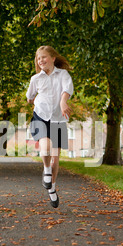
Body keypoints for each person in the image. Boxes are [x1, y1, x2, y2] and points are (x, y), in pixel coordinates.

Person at [26, 46, 74, 208]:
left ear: (53, 59)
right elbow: (30, 96)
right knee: (45, 146)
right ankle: (46, 169)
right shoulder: (35, 79)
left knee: (55, 157)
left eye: (44, 57)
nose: (41, 61)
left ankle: (52, 188)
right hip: (41, 115)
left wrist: (63, 102)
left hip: (58, 119)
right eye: (39, 59)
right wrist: (32, 100)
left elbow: (67, 89)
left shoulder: (63, 75)